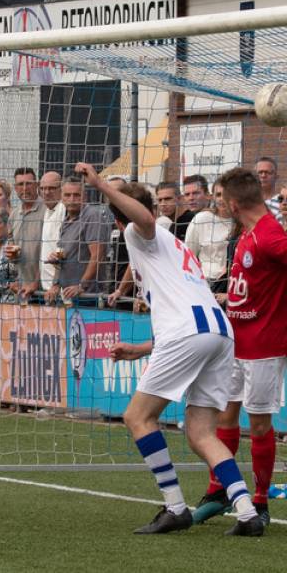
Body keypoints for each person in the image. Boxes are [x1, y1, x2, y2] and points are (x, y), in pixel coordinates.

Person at [80, 162, 262, 537]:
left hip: (191, 333)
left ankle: (176, 506)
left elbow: (144, 220)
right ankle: (247, 512)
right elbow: (184, 308)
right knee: (201, 433)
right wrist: (143, 348)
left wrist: (100, 184)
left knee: (137, 417)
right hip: (217, 333)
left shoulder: (138, 231)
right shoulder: (174, 245)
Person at [192, 167, 287, 529]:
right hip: (236, 338)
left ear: (232, 204)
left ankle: (260, 503)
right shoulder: (249, 232)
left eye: (219, 198)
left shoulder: (271, 237)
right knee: (223, 416)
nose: (218, 204)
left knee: (260, 426)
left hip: (264, 345)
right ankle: (220, 490)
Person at [45, 178, 107, 305]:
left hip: (88, 297)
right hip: (68, 296)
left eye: (76, 195)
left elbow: (98, 256)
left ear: (85, 196)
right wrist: (55, 284)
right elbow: (61, 255)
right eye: (67, 195)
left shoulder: (92, 215)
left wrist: (81, 286)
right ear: (61, 197)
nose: (72, 199)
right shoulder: (66, 221)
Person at [184, 181, 234, 295]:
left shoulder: (242, 221)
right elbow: (188, 255)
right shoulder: (201, 219)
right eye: (218, 195)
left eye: (227, 194)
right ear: (212, 197)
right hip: (206, 282)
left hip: (233, 283)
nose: (222, 199)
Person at [9, 168, 43, 303]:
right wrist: (12, 256)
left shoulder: (48, 210)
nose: (24, 188)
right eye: (20, 184)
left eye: (28, 183)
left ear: (37, 185)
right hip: (23, 291)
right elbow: (13, 256)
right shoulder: (14, 215)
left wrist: (36, 282)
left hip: (45, 290)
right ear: (15, 188)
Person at [38, 171, 65, 292]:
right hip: (47, 288)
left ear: (61, 189)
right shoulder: (47, 210)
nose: (46, 192)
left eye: (52, 188)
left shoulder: (63, 209)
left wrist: (56, 283)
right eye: (43, 188)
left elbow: (63, 248)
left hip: (59, 289)